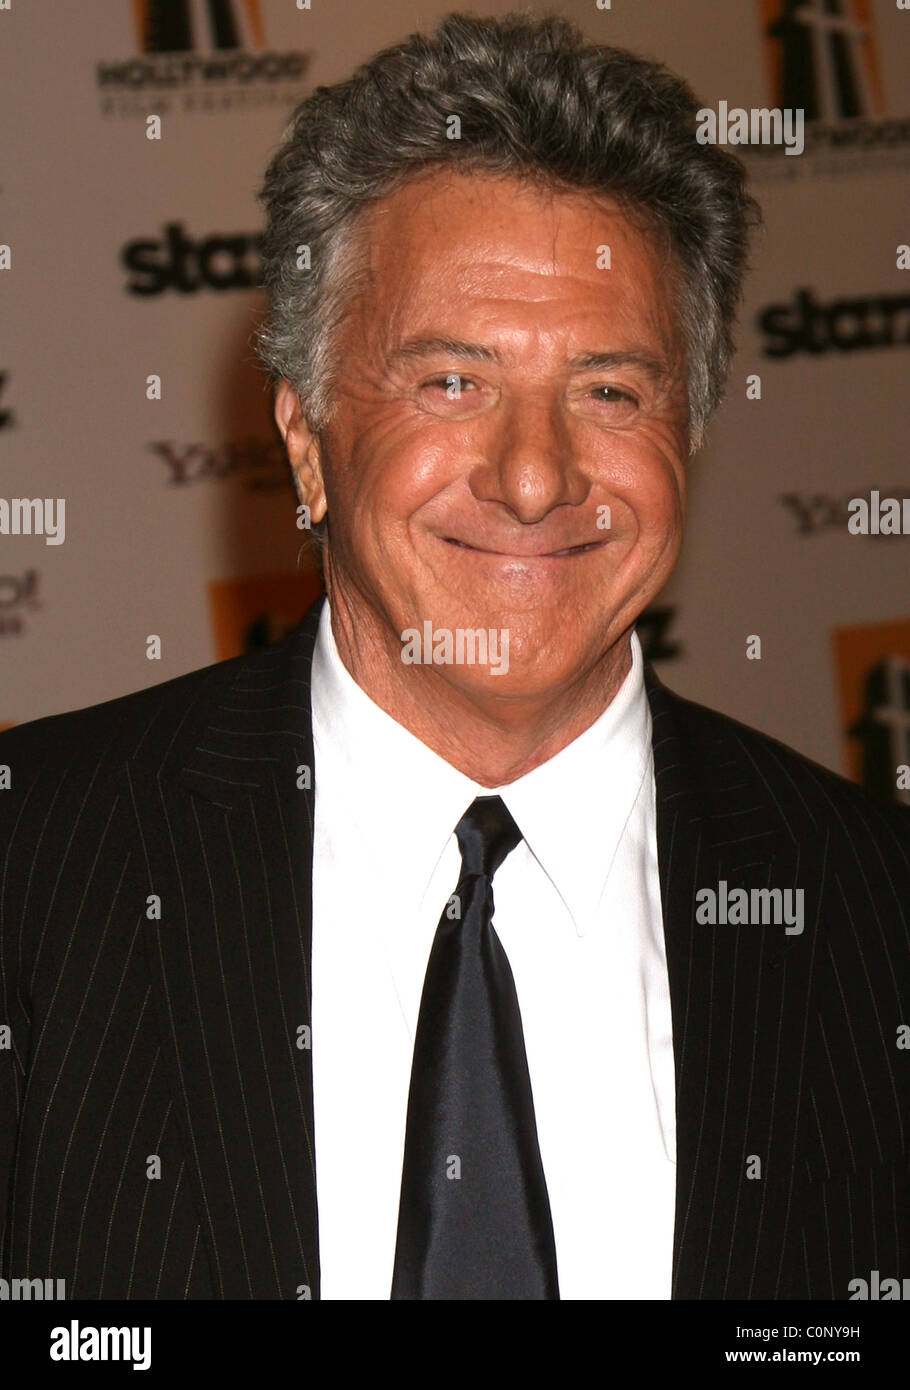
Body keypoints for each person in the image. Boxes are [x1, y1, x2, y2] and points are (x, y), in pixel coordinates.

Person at [1, 11, 908, 1301]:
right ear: (307, 444)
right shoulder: (34, 873)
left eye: (610, 389)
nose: (535, 476)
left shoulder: (878, 917)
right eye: (451, 383)